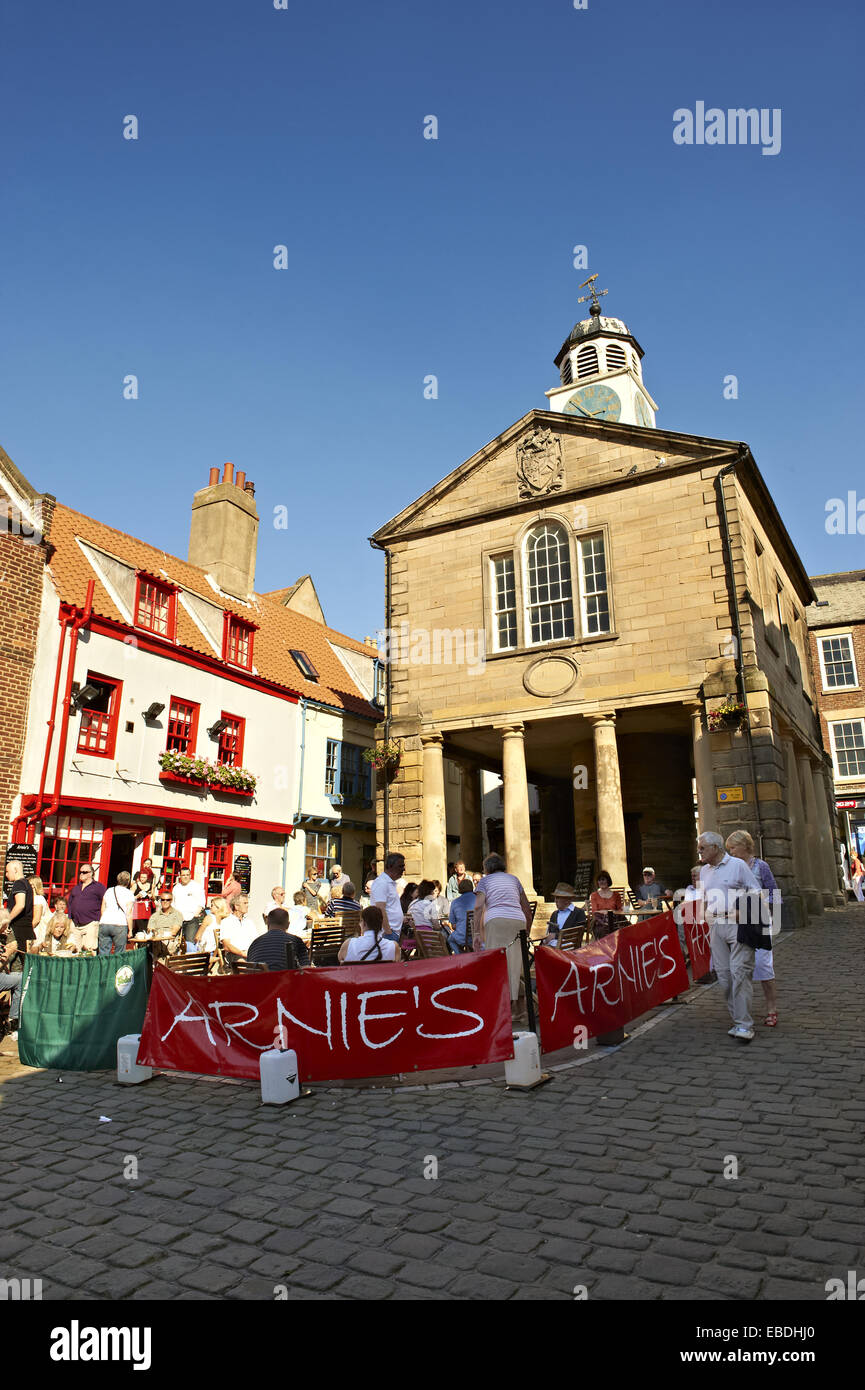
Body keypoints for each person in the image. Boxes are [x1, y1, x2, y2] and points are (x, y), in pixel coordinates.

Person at [698, 830, 765, 1042]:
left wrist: (742, 912)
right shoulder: (704, 871)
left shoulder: (737, 865)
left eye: (702, 848)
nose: (699, 852)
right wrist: (704, 915)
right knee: (725, 977)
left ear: (715, 848)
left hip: (739, 924)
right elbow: (705, 897)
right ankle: (738, 1020)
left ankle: (745, 1026)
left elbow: (756, 892)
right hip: (716, 925)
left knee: (739, 972)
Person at [725, 830, 781, 1027]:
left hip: (759, 922)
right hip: (738, 922)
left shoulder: (760, 866)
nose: (730, 852)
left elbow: (775, 893)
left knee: (763, 966)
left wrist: (760, 905)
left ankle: (771, 1009)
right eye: (728, 849)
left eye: (733, 847)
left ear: (745, 846)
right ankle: (743, 1012)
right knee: (739, 968)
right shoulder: (730, 868)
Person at [473, 853, 533, 1005]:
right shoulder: (514, 879)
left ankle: (501, 1006)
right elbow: (526, 907)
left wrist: (476, 933)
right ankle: (520, 1008)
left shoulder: (485, 881)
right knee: (516, 965)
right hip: (518, 920)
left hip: (496, 921)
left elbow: (479, 906)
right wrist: (528, 929)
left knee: (497, 963)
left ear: (486, 869)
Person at [67, 862, 107, 953]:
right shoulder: (76, 887)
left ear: (91, 873)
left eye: (84, 872)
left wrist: (101, 919)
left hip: (91, 923)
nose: (81, 874)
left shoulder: (99, 887)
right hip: (76, 924)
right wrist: (70, 918)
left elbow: (105, 903)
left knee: (89, 951)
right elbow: (70, 903)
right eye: (80, 872)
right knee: (75, 951)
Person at [369, 852, 406, 941]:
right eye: (400, 866)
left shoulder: (390, 883)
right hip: (387, 934)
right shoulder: (382, 883)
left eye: (403, 866)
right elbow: (380, 909)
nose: (403, 869)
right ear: (390, 866)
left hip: (392, 932)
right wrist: (388, 931)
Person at [97, 872, 135, 956]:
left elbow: (103, 908)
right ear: (128, 881)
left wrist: (103, 919)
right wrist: (130, 930)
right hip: (120, 924)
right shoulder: (129, 894)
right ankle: (116, 969)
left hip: (105, 922)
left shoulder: (109, 890)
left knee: (103, 952)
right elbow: (128, 913)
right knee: (119, 953)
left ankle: (103, 968)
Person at [5, 859, 36, 959]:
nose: (6, 875)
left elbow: (20, 905)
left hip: (19, 930)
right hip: (26, 930)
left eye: (7, 871)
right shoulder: (27, 884)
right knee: (24, 965)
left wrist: (6, 921)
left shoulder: (19, 883)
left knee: (10, 962)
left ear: (15, 870)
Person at [221, 894, 262, 967]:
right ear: (236, 906)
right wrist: (242, 953)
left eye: (247, 903)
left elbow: (256, 941)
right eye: (245, 903)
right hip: (235, 954)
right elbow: (226, 946)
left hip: (250, 954)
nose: (247, 905)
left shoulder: (249, 922)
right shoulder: (227, 922)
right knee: (243, 965)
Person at [0, 909, 22, 1040]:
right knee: (20, 979)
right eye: (4, 926)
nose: (6, 929)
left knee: (18, 975)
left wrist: (7, 953)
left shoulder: (5, 934)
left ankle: (13, 1019)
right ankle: (14, 1020)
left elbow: (14, 944)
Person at [543, 883, 587, 947]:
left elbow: (577, 934)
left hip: (568, 948)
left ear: (568, 899)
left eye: (558, 898)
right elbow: (550, 933)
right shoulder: (554, 914)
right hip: (552, 947)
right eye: (555, 898)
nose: (555, 901)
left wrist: (556, 936)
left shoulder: (578, 913)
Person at [172, 866, 206, 946]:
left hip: (191, 919)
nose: (186, 877)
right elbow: (173, 903)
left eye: (188, 875)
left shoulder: (196, 886)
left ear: (190, 875)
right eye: (183, 875)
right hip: (178, 919)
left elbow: (201, 902)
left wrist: (195, 915)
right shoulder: (176, 887)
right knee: (176, 942)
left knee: (190, 943)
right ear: (180, 876)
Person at [148, 891, 184, 957]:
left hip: (170, 942)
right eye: (163, 900)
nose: (165, 901)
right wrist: (153, 932)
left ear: (171, 901)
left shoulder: (177, 914)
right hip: (156, 943)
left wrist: (161, 935)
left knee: (168, 943)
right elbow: (150, 929)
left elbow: (174, 931)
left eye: (168, 900)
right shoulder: (154, 916)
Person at [447, 878, 476, 952]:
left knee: (451, 939)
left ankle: (460, 957)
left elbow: (453, 926)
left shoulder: (455, 902)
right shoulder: (480, 899)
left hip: (462, 936)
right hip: (480, 936)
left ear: (459, 889)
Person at [29, 876, 49, 945]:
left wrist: (26, 931)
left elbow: (36, 920)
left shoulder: (38, 899)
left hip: (37, 931)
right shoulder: (34, 898)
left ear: (33, 886)